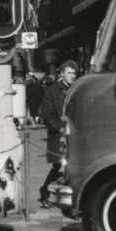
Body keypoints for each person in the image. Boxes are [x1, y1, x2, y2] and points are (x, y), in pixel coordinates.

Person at [39, 60, 78, 208]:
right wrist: (61, 128)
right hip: (60, 135)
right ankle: (45, 194)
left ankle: (66, 196)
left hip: (75, 135)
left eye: (74, 73)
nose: (72, 76)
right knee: (58, 167)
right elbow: (47, 114)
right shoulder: (52, 90)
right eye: (69, 73)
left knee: (70, 166)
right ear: (62, 74)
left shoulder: (76, 89)